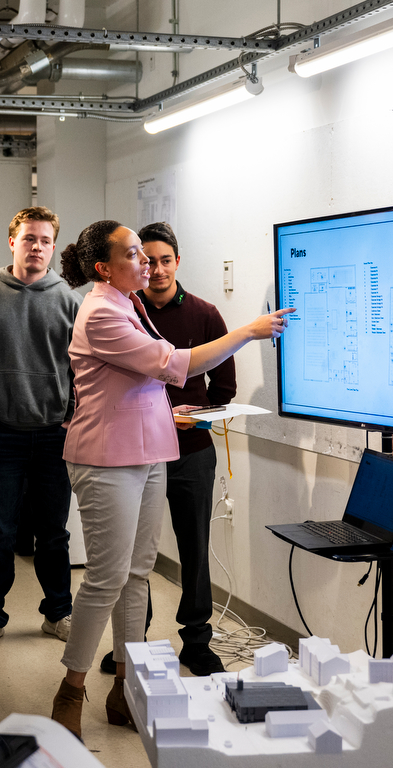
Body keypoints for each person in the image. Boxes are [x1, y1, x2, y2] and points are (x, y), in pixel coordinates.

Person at [49, 220, 291, 739]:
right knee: (106, 578)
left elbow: (147, 382)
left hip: (149, 453)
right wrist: (247, 331)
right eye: (135, 254)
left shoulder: (130, 304)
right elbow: (174, 363)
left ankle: (125, 685)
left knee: (137, 574)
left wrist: (174, 412)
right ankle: (70, 689)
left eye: (149, 254)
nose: (147, 263)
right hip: (105, 459)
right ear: (104, 268)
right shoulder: (100, 313)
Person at [0, 206, 79, 650]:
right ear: (12, 242)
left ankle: (59, 612)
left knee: (54, 532)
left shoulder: (70, 301)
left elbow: (85, 366)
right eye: (29, 238)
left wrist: (71, 412)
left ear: (54, 246)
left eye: (45, 240)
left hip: (55, 434)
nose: (37, 246)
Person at [130, 221, 236, 676]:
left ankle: (197, 642)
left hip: (192, 450)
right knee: (138, 553)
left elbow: (225, 386)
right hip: (137, 451)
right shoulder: (125, 312)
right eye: (147, 260)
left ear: (178, 262)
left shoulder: (205, 314)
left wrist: (198, 411)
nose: (156, 269)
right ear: (137, 263)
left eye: (165, 260)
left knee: (195, 547)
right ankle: (134, 642)